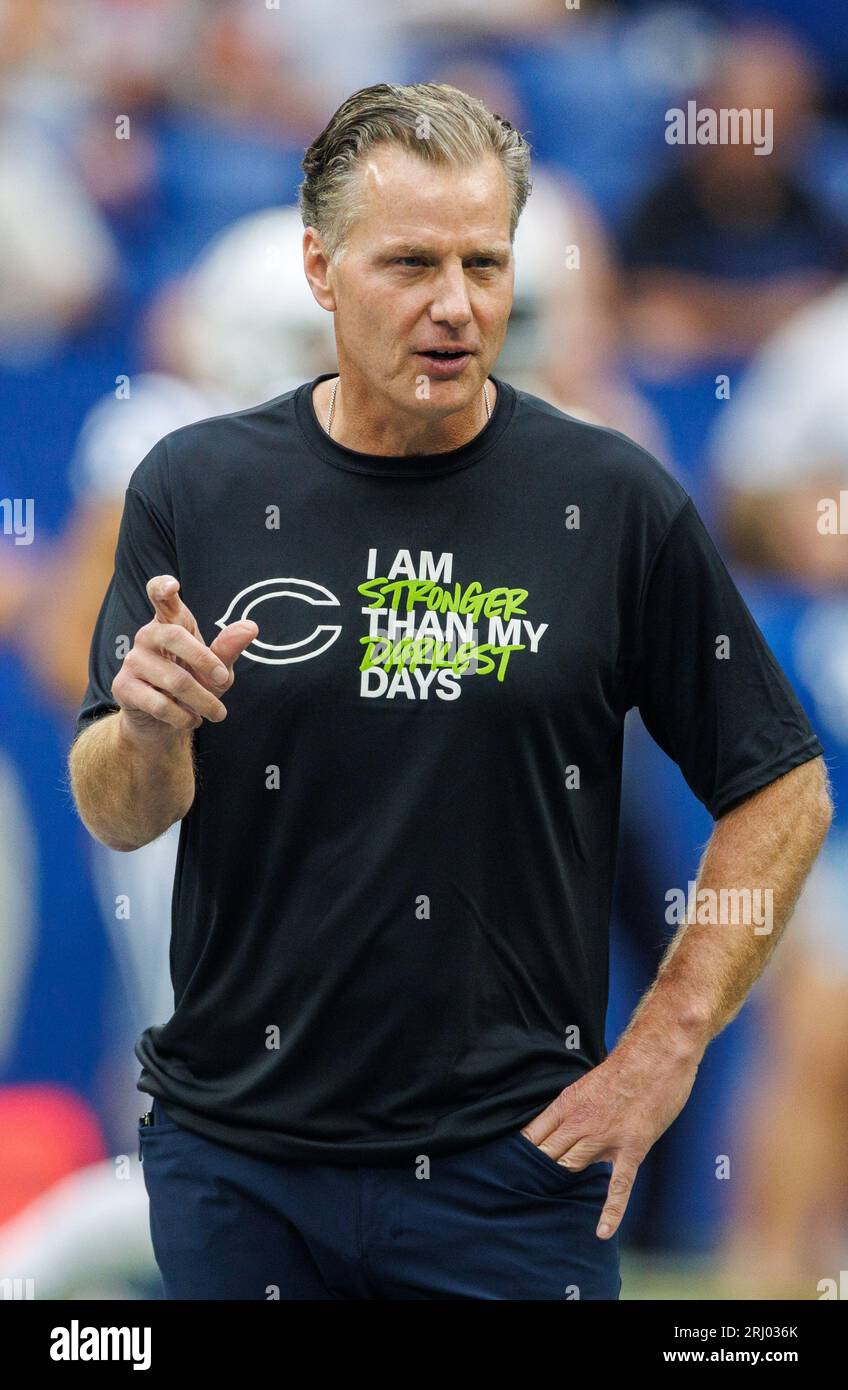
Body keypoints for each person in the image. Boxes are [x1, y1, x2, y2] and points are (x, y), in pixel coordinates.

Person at [68, 81, 832, 1301]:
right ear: (320, 268)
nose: (455, 306)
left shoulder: (608, 496)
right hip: (237, 1163)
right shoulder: (195, 485)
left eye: (485, 265)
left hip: (510, 1171)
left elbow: (781, 784)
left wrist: (666, 1044)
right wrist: (149, 726)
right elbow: (119, 805)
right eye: (409, 262)